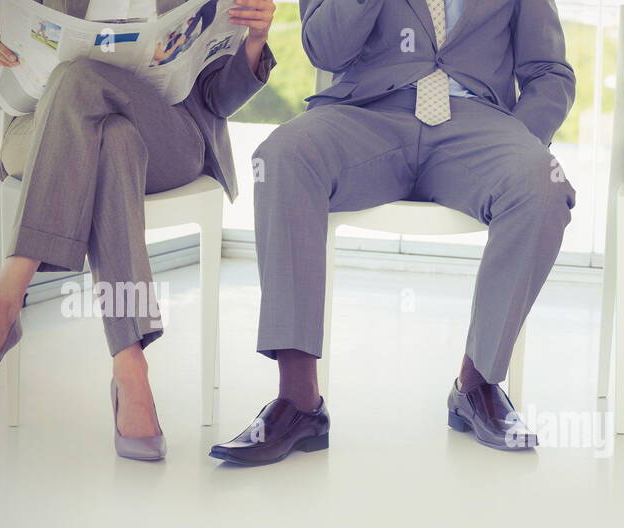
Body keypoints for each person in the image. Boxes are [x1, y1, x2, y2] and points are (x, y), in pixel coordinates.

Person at [209, 0, 577, 466]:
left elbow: (550, 72)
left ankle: (477, 383)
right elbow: (324, 49)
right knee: (281, 158)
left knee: (542, 182)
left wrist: (516, 137)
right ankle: (298, 401)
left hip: (477, 122)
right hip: (369, 115)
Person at [0, 0, 276, 461]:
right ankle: (129, 366)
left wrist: (255, 43)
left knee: (81, 77)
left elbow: (218, 98)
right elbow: (13, 80)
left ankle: (9, 295)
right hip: (42, 129)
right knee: (110, 136)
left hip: (168, 133)